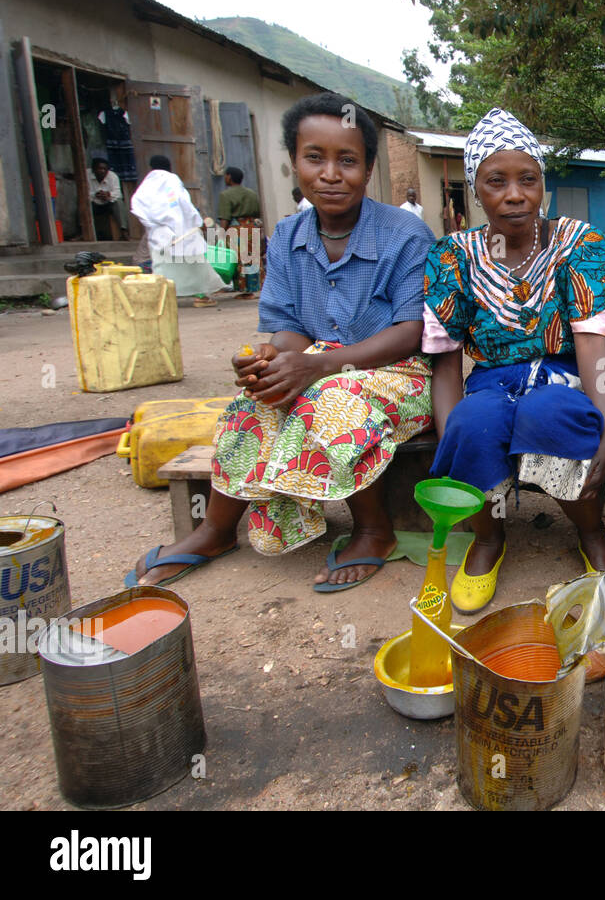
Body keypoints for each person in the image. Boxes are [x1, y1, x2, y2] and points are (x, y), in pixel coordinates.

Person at [125, 93, 436, 592]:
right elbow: (289, 327)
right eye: (315, 157)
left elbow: (411, 333)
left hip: (401, 373)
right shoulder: (289, 235)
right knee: (257, 401)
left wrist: (316, 368)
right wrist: (272, 357)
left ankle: (374, 530)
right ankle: (218, 529)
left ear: (370, 167)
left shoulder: (405, 234)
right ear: (294, 162)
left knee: (332, 401)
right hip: (322, 366)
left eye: (348, 160)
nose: (330, 173)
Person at [423, 107, 605, 613]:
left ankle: (590, 530)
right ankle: (488, 539)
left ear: (541, 184)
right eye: (496, 181)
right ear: (476, 189)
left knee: (552, 412)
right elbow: (446, 360)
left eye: (527, 179)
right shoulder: (451, 256)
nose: (514, 194)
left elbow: (591, 341)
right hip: (491, 382)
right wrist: (452, 441)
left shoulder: (582, 244)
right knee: (471, 424)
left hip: (564, 377)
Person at [130, 154, 224, 306]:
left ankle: (162, 298)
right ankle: (202, 297)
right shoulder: (172, 180)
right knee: (195, 265)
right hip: (182, 229)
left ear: (151, 167)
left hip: (158, 233)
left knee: (162, 266)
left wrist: (151, 224)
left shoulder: (146, 184)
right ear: (169, 166)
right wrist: (197, 221)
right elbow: (184, 202)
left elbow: (137, 206)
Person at [217, 166, 262, 295]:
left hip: (236, 230)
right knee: (252, 258)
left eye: (226, 175)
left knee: (238, 259)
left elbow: (225, 217)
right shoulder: (252, 193)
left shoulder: (225, 195)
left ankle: (243, 289)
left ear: (229, 177)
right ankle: (253, 288)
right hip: (252, 227)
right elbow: (257, 214)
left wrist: (221, 235)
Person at [87, 157, 126, 240]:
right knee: (82, 205)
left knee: (119, 203)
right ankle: (82, 232)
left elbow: (118, 193)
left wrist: (108, 195)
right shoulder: (86, 175)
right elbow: (83, 193)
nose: (102, 171)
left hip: (108, 203)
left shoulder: (112, 176)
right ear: (93, 169)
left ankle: (124, 231)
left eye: (105, 169)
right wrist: (95, 194)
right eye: (99, 168)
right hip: (93, 203)